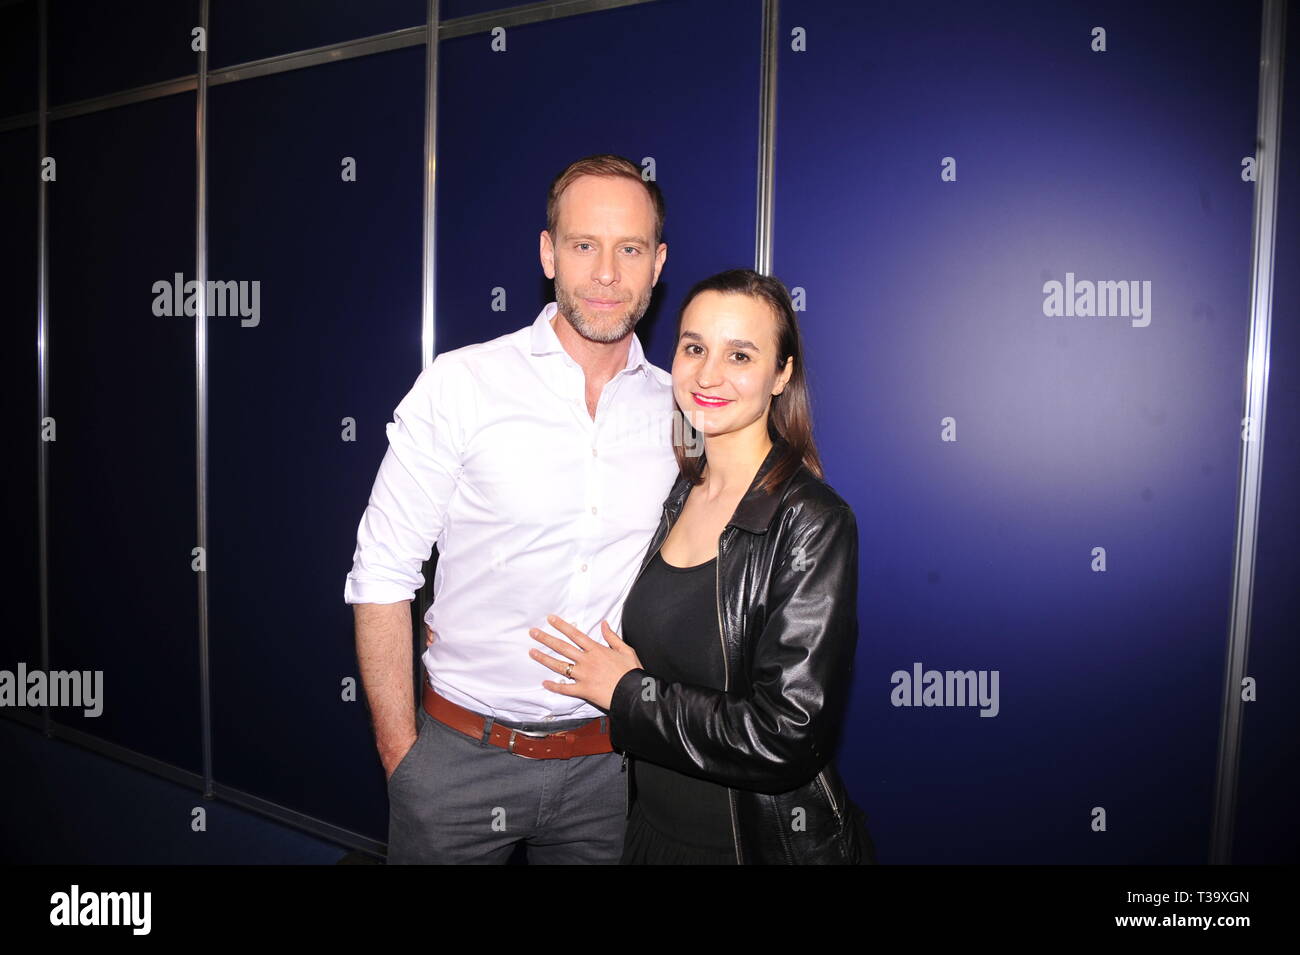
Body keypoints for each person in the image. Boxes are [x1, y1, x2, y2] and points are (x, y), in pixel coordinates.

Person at [344, 154, 684, 863]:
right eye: (583, 244)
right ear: (547, 253)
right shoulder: (462, 384)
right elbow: (381, 571)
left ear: (657, 264)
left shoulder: (682, 412)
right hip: (457, 761)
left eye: (629, 249)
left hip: (612, 770)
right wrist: (402, 756)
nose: (605, 273)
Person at [526, 268, 877, 864]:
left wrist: (628, 694)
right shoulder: (679, 491)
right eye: (694, 348)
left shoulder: (812, 521)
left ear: (781, 374)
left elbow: (786, 733)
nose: (708, 375)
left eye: (740, 354)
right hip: (646, 834)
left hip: (749, 848)